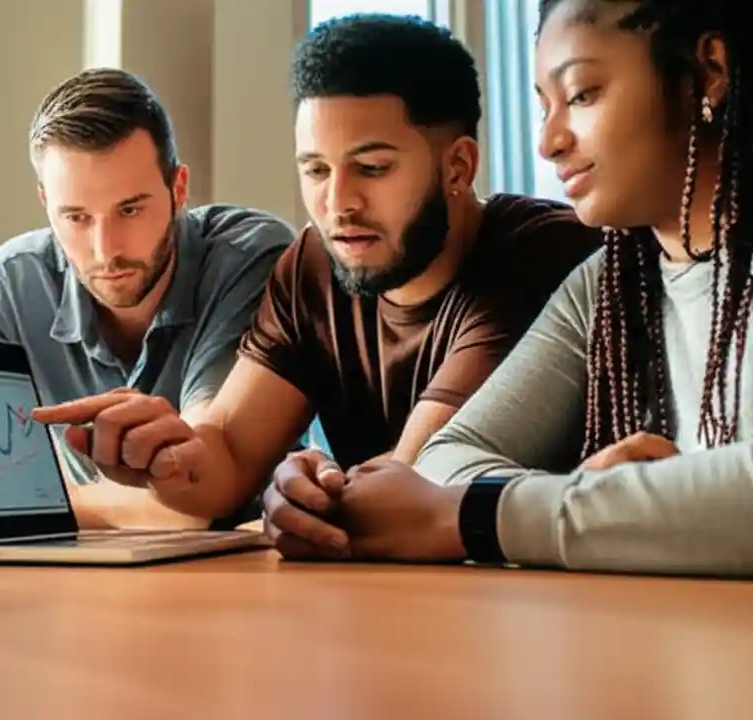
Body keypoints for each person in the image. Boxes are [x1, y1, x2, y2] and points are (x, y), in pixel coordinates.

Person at [327, 0, 753, 578]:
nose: (549, 141)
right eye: (544, 107)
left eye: (582, 94)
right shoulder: (610, 282)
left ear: (710, 70)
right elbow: (446, 458)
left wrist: (538, 511)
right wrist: (600, 503)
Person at [31, 14, 602, 558]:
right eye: (316, 170)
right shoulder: (311, 267)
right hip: (383, 610)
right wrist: (164, 461)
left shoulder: (537, 254)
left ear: (458, 167)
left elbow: (411, 485)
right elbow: (224, 456)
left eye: (372, 169)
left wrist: (296, 490)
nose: (338, 204)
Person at [0, 68, 294, 545]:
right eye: (75, 217)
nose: (105, 249)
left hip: (241, 571)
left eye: (130, 209)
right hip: (78, 573)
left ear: (179, 188)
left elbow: (198, 491)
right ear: (45, 203)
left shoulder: (247, 259)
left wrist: (3, 504)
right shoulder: (11, 284)